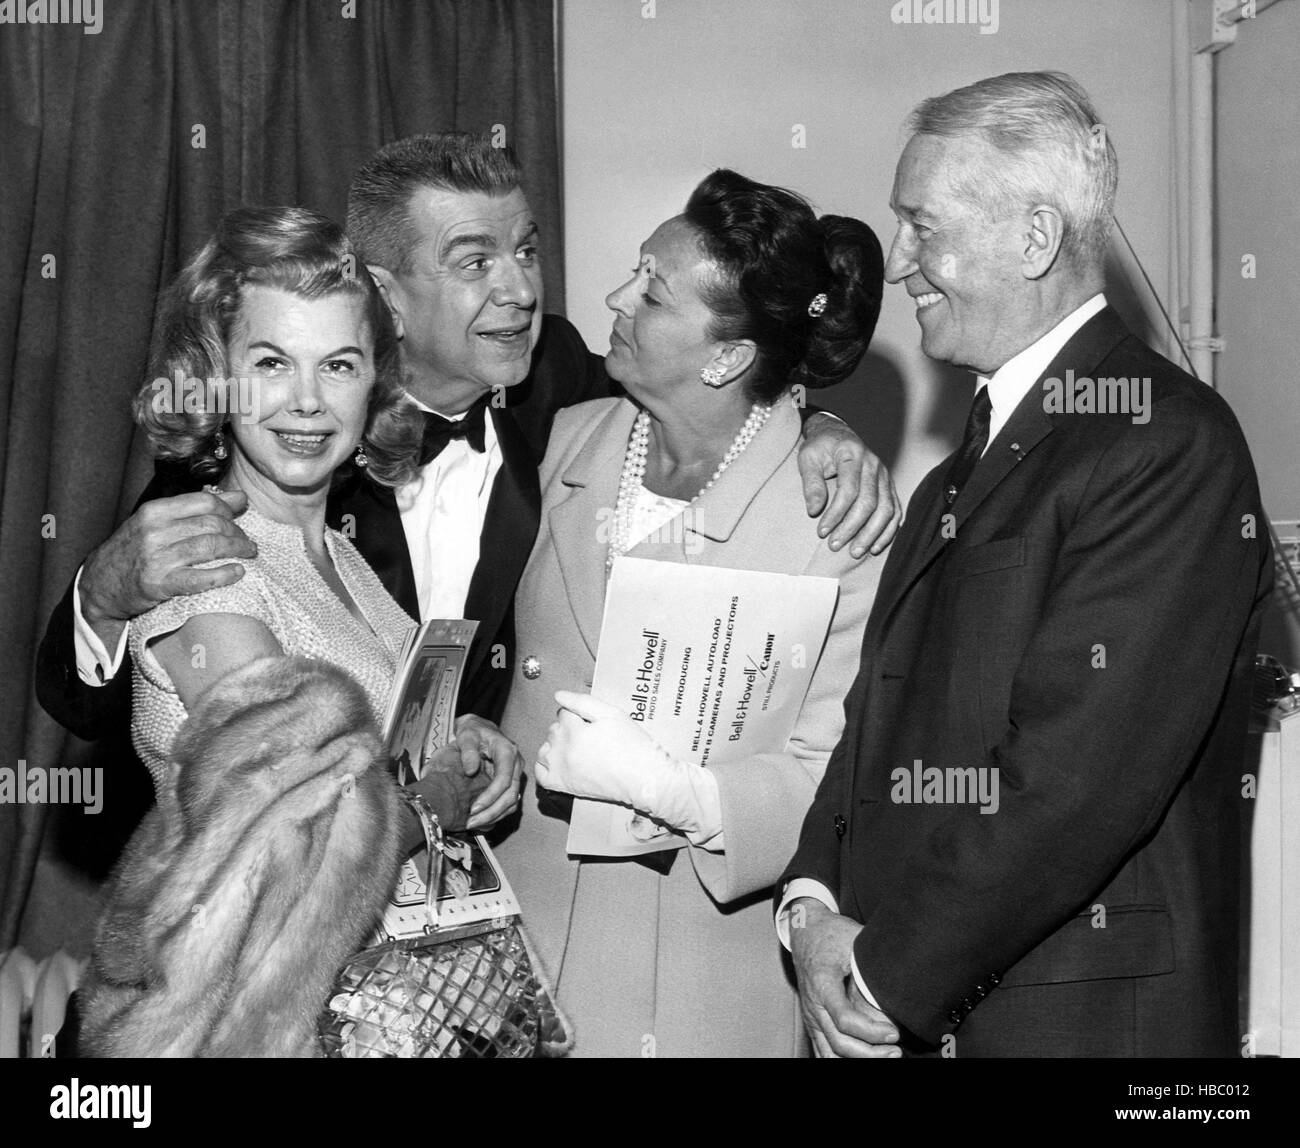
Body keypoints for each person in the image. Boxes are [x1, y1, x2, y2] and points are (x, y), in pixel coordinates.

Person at [35, 132, 899, 798]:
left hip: (492, 883)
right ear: (383, 295)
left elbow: (715, 386)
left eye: (525, 250)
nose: (520, 290)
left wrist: (816, 426)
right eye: (474, 261)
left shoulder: (560, 378)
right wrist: (101, 599)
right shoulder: (279, 426)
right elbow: (98, 696)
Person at [779, 72, 1272, 1059]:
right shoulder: (964, 465)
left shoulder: (1162, 441)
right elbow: (878, 720)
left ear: (1035, 238)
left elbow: (1074, 778)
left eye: (921, 225)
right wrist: (813, 897)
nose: (899, 260)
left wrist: (881, 969)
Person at [495, 169, 885, 1057]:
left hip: (702, 968)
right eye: (636, 271)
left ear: (726, 357)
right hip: (522, 939)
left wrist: (681, 796)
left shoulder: (836, 517)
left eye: (651, 293)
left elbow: (833, 772)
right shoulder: (565, 435)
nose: (615, 299)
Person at [125, 205, 518, 833]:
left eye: (337, 365)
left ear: (374, 384)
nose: (307, 401)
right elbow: (309, 834)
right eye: (271, 363)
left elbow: (377, 747)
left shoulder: (341, 554)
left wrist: (453, 739)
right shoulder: (209, 572)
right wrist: (446, 797)